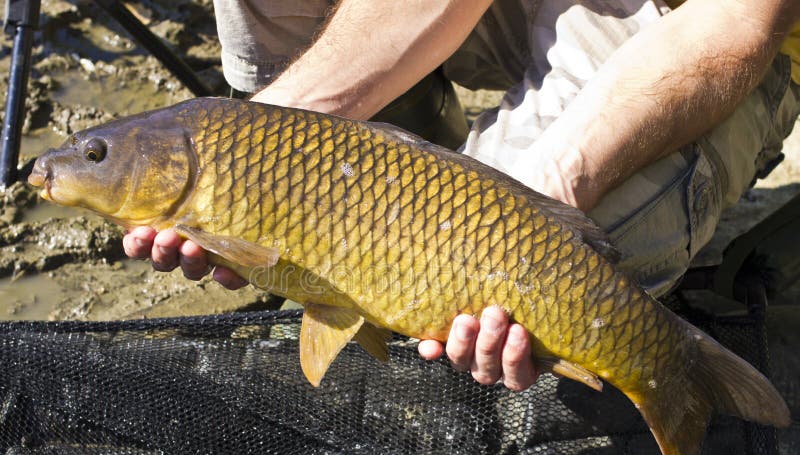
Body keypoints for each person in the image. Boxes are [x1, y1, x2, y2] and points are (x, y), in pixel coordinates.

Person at [123, 0, 800, 391]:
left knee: (536, 274)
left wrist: (523, 208)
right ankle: (369, 204)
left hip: (719, 30)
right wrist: (264, 131)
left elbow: (737, 20)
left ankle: (669, 368)